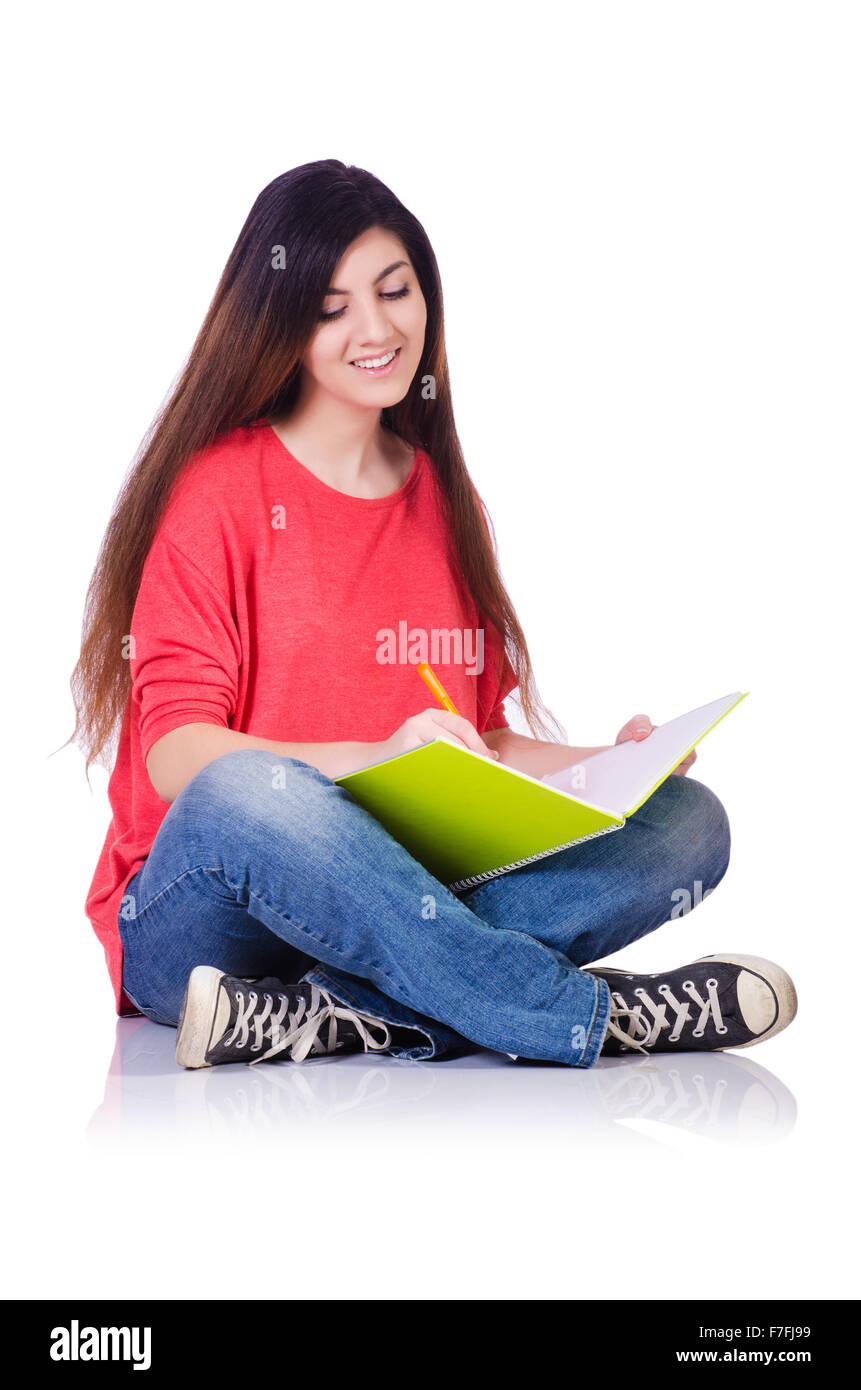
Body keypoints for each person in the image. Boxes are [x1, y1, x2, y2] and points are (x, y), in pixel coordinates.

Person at [69, 159, 797, 1071]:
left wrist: (620, 764)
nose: (375, 330)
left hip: (389, 909)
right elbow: (176, 756)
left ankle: (339, 1016)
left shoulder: (446, 506)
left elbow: (475, 746)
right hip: (206, 925)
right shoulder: (219, 490)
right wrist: (373, 761)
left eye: (394, 291)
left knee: (690, 824)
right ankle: (589, 1014)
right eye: (332, 307)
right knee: (252, 792)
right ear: (281, 323)